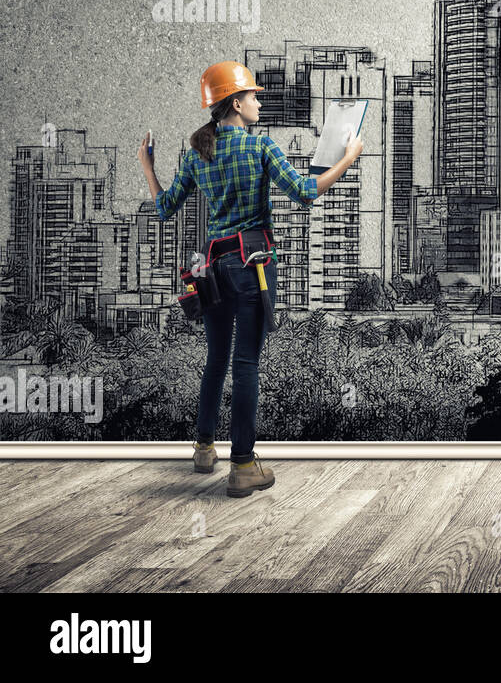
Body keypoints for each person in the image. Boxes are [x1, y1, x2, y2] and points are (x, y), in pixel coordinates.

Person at [138, 61, 363, 497]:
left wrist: (149, 167)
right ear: (236, 104)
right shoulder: (261, 147)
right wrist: (349, 159)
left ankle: (204, 448)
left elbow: (165, 208)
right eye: (254, 97)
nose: (259, 103)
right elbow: (305, 192)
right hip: (252, 263)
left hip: (211, 268)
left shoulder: (197, 154)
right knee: (246, 364)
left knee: (216, 359)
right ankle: (242, 464)